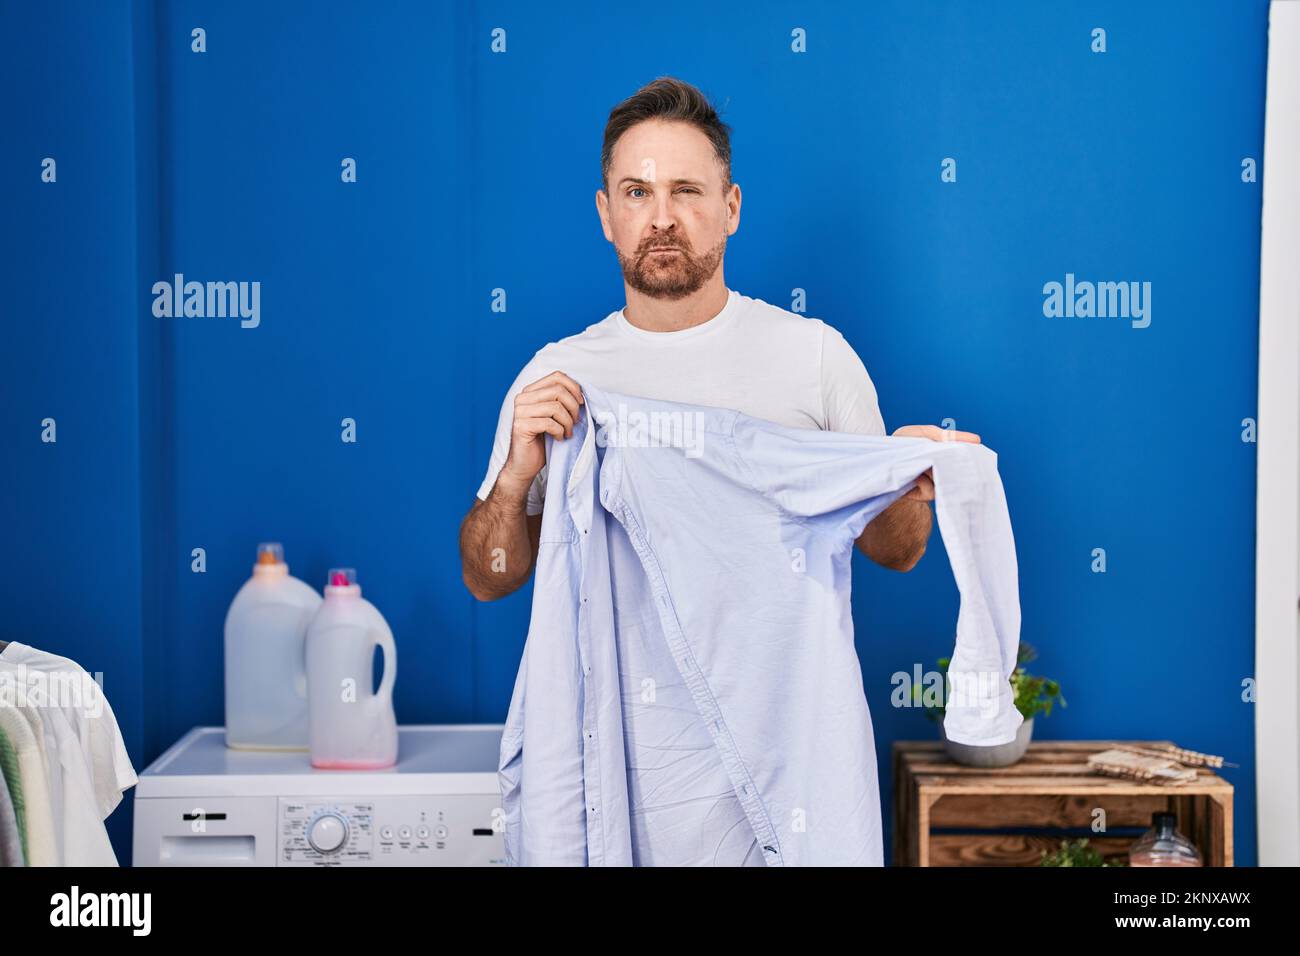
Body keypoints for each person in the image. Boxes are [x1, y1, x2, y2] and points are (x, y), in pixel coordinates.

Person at [461, 76, 980, 602]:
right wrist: (511, 483)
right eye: (638, 193)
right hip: (611, 687)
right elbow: (489, 581)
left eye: (686, 191)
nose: (662, 219)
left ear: (731, 208)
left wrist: (901, 477)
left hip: (786, 688)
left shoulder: (816, 356)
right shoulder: (556, 379)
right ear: (606, 215)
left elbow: (896, 553)